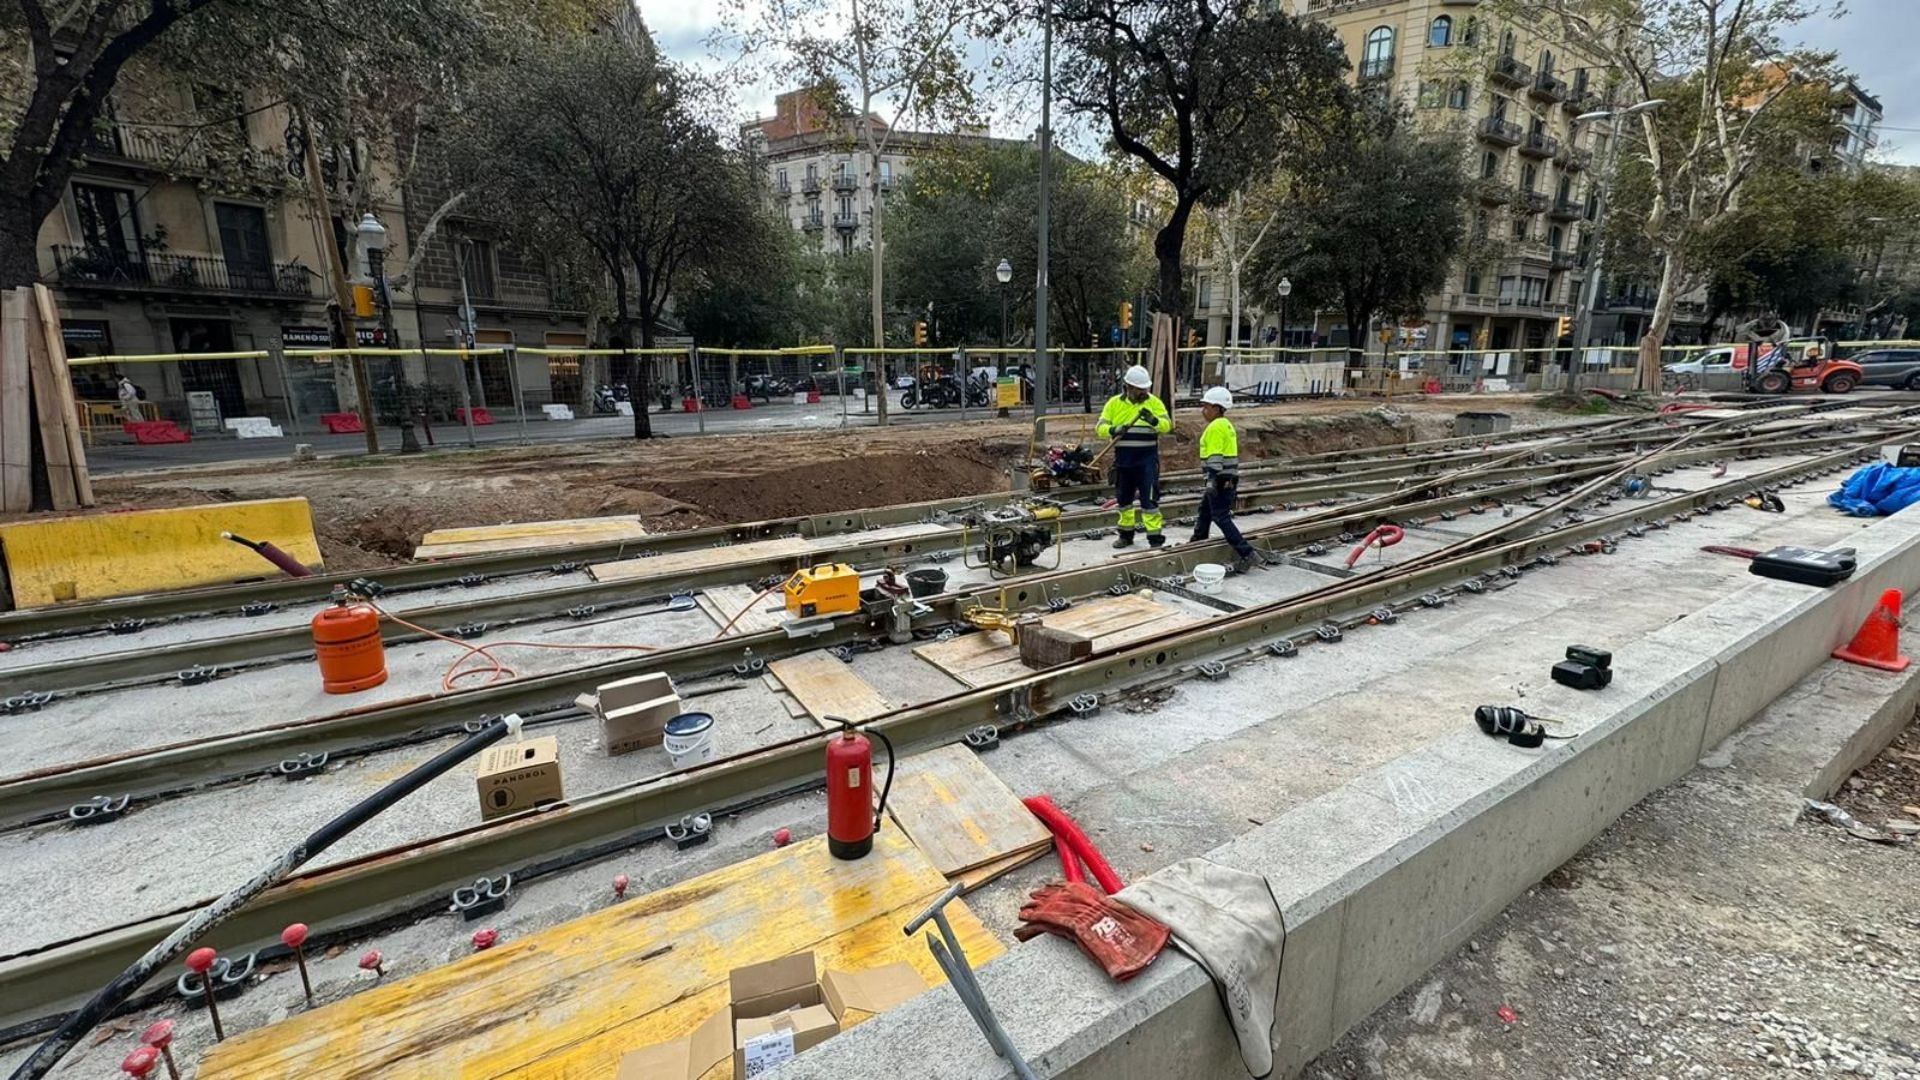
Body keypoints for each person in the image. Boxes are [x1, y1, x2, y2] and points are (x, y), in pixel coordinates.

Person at [1096, 364, 1172, 548]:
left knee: (1150, 502)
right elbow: (1100, 428)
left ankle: (1155, 538)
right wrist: (1115, 429)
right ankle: (1126, 535)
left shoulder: (1153, 402)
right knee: (1124, 501)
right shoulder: (1114, 404)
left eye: (1145, 389)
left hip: (1147, 460)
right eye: (1140, 389)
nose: (1144, 392)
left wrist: (1153, 420)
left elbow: (1167, 425)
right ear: (1128, 387)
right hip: (1124, 461)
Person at [1191, 386, 1258, 574]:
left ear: (1217, 408)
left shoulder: (1214, 428)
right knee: (1205, 510)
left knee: (1221, 517)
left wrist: (1211, 481)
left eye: (1206, 407)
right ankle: (1198, 540)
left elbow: (1215, 457)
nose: (1203, 411)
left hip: (1219, 479)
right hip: (1228, 478)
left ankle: (1247, 553)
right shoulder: (1226, 425)